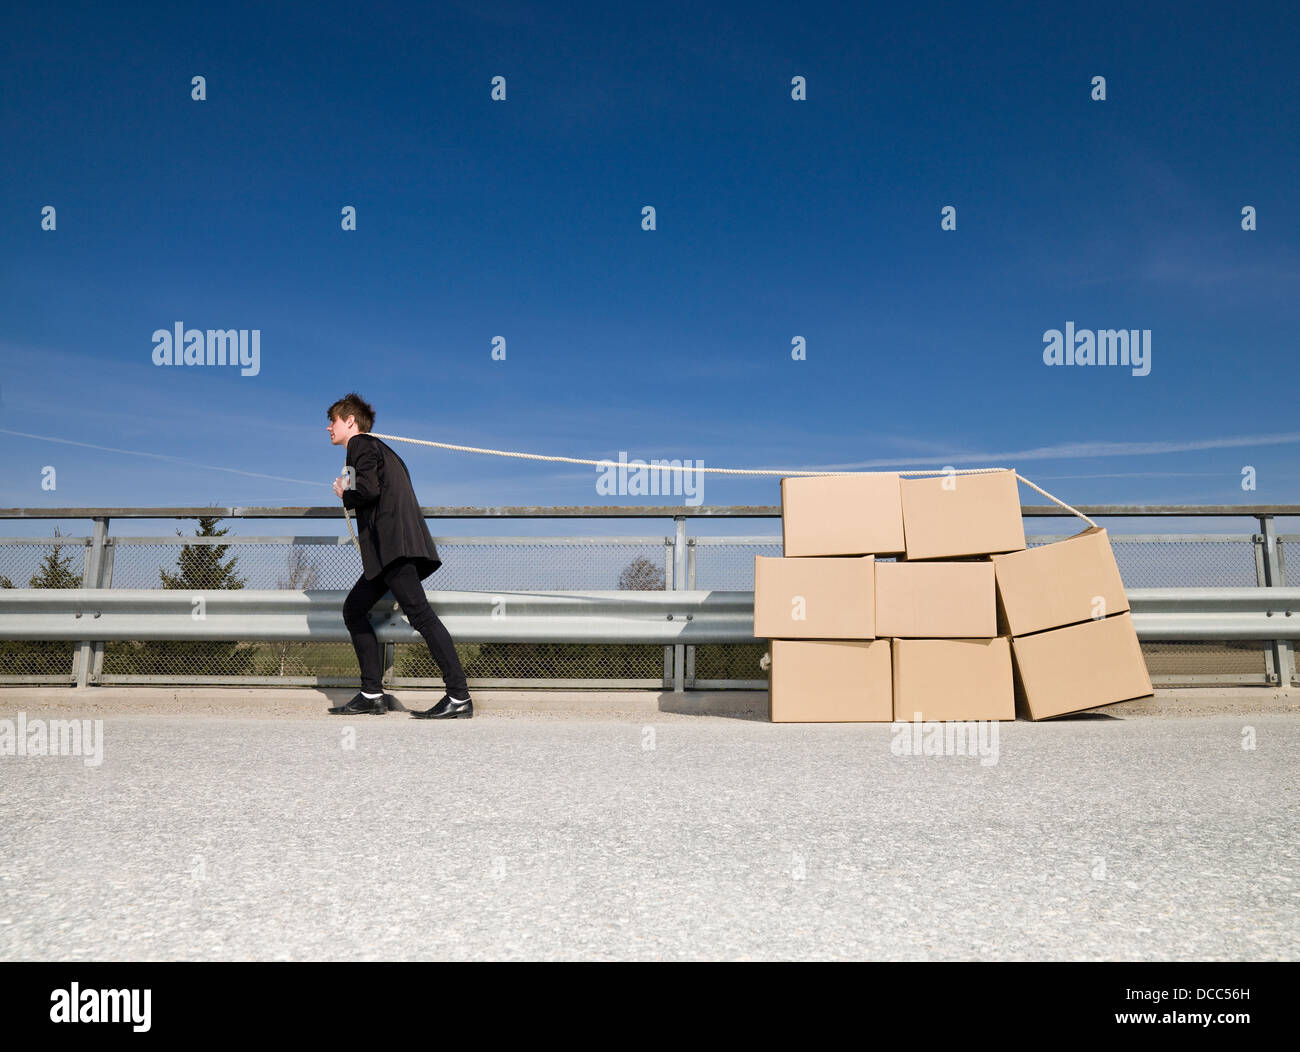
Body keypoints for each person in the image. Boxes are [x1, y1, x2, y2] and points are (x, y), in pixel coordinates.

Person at [325, 392, 473, 719]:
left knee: (421, 615)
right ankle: (371, 693)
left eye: (332, 421)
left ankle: (459, 696)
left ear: (350, 421)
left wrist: (344, 492)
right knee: (354, 609)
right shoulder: (384, 451)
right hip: (387, 552)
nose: (328, 428)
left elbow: (369, 492)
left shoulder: (361, 444)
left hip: (393, 549)